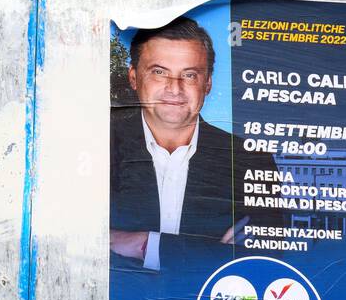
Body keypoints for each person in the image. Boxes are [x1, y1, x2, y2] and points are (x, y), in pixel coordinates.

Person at [109, 16, 284, 272]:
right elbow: (73, 243)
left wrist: (144, 245)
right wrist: (210, 250)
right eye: (159, 72)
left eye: (189, 75)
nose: (175, 88)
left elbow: (261, 260)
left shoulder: (250, 160)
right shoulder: (98, 145)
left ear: (208, 84)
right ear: (134, 78)